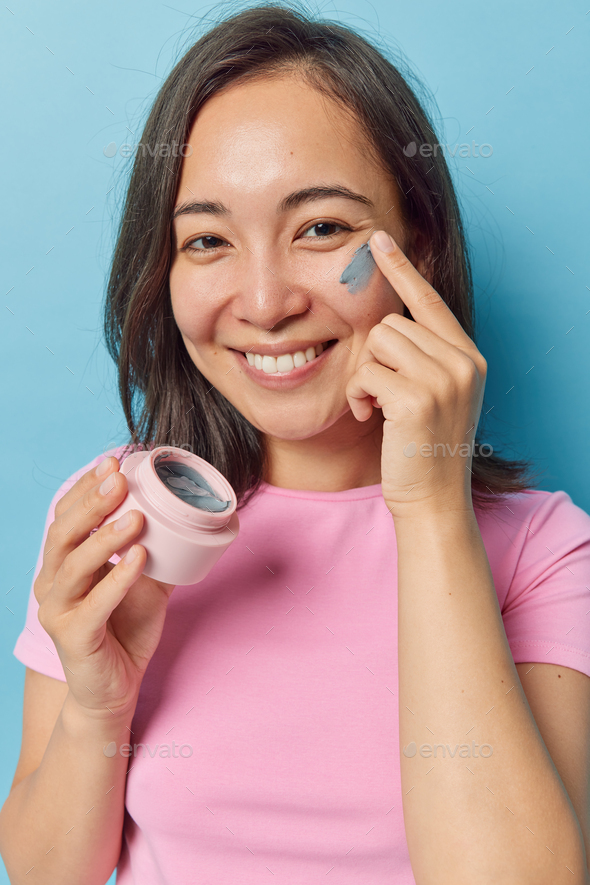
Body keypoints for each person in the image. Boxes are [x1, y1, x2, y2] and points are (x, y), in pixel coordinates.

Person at [1, 4, 590, 884]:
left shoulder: (544, 552)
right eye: (207, 240)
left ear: (417, 246)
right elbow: (47, 875)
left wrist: (431, 507)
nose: (266, 301)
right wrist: (98, 709)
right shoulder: (120, 517)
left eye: (321, 228)